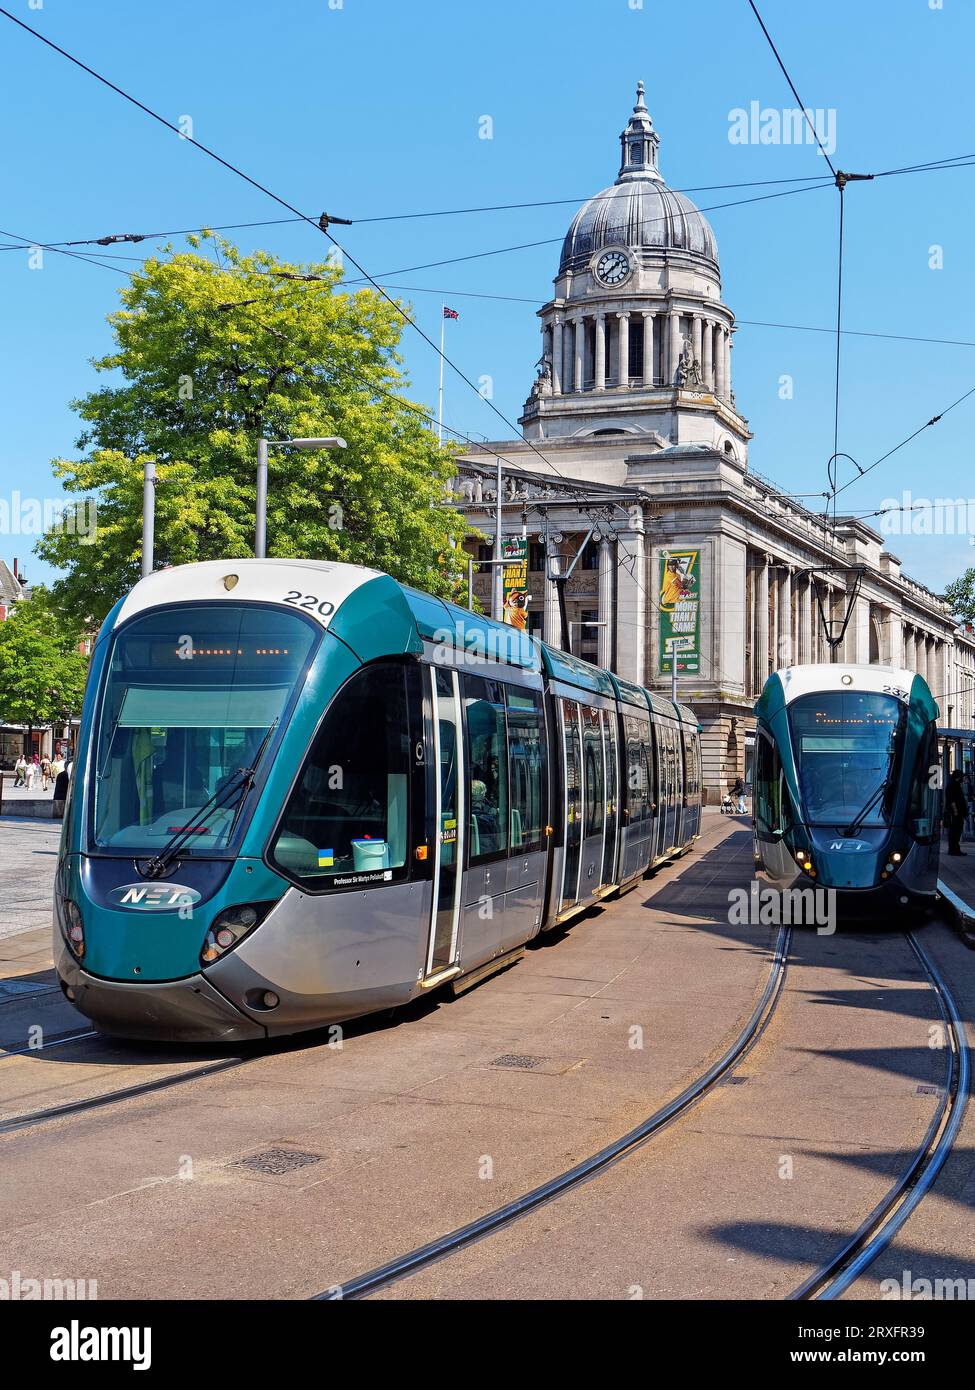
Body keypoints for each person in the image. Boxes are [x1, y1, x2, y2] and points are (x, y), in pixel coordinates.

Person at [945, 769, 968, 857]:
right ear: (958, 777)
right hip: (955, 813)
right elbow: (951, 800)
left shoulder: (956, 785)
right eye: (961, 776)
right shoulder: (952, 785)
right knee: (955, 831)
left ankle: (955, 849)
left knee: (957, 831)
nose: (962, 778)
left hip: (958, 813)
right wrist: (955, 811)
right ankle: (953, 849)